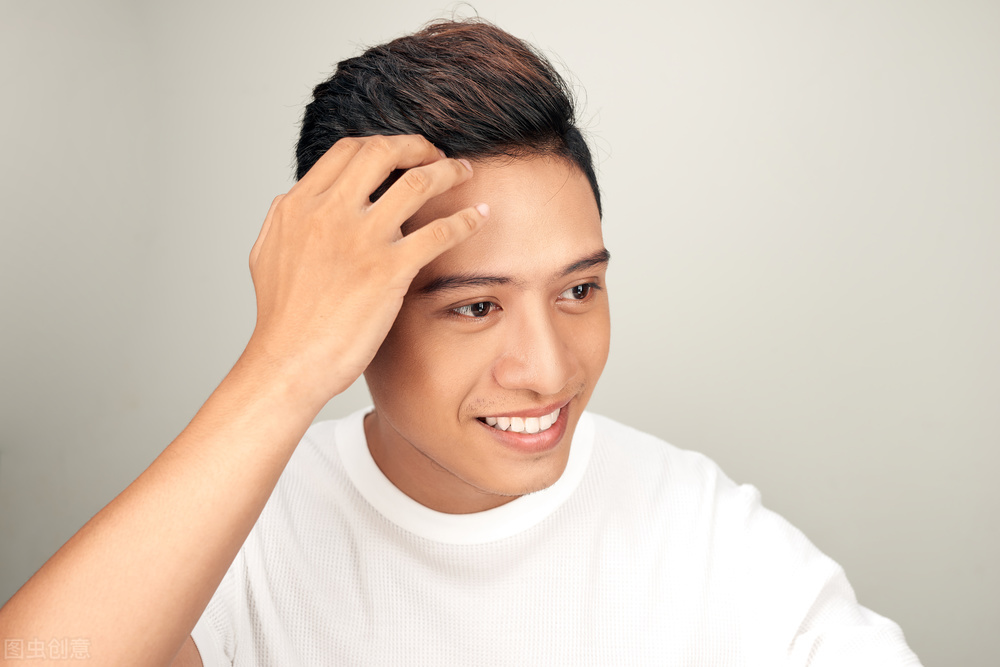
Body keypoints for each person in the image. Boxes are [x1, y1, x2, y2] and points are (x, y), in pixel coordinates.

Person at [0, 19, 921, 666]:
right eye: (476, 306)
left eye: (578, 289)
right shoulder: (242, 539)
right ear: (354, 312)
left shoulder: (697, 526)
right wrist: (282, 365)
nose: (548, 370)